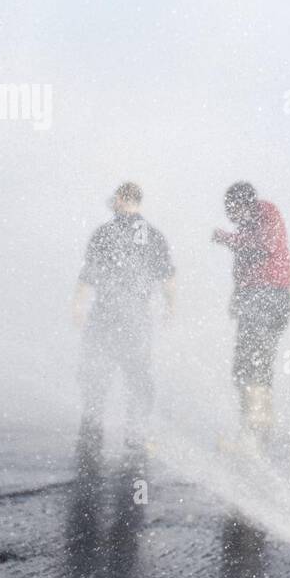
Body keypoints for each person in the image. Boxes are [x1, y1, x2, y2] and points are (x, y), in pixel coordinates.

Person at [72, 182, 175, 449]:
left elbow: (88, 275)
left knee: (96, 372)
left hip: (105, 313)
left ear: (120, 199)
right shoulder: (154, 235)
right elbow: (167, 278)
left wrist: (78, 306)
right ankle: (135, 432)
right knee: (138, 374)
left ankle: (92, 430)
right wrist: (170, 307)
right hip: (136, 317)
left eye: (114, 199)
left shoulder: (105, 233)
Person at [212, 181, 290, 449]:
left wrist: (227, 238)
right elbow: (245, 266)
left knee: (249, 365)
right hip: (262, 298)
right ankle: (262, 431)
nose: (228, 214)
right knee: (256, 365)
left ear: (240, 203)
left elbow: (265, 246)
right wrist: (236, 297)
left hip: (267, 298)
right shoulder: (249, 225)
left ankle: (250, 435)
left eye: (229, 208)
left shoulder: (265, 211)